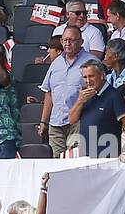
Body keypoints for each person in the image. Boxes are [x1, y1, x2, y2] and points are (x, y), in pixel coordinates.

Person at [38, 24, 93, 156]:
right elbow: (49, 93)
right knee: (57, 164)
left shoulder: (91, 62)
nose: (67, 43)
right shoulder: (55, 63)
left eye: (72, 40)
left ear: (81, 42)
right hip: (55, 123)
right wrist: (43, 121)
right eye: (65, 40)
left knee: (74, 162)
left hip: (79, 122)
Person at [69, 58, 125, 159]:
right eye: (85, 77)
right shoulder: (84, 96)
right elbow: (72, 120)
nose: (88, 81)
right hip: (85, 157)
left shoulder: (114, 95)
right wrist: (80, 101)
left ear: (102, 75)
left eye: (91, 76)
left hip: (107, 158)